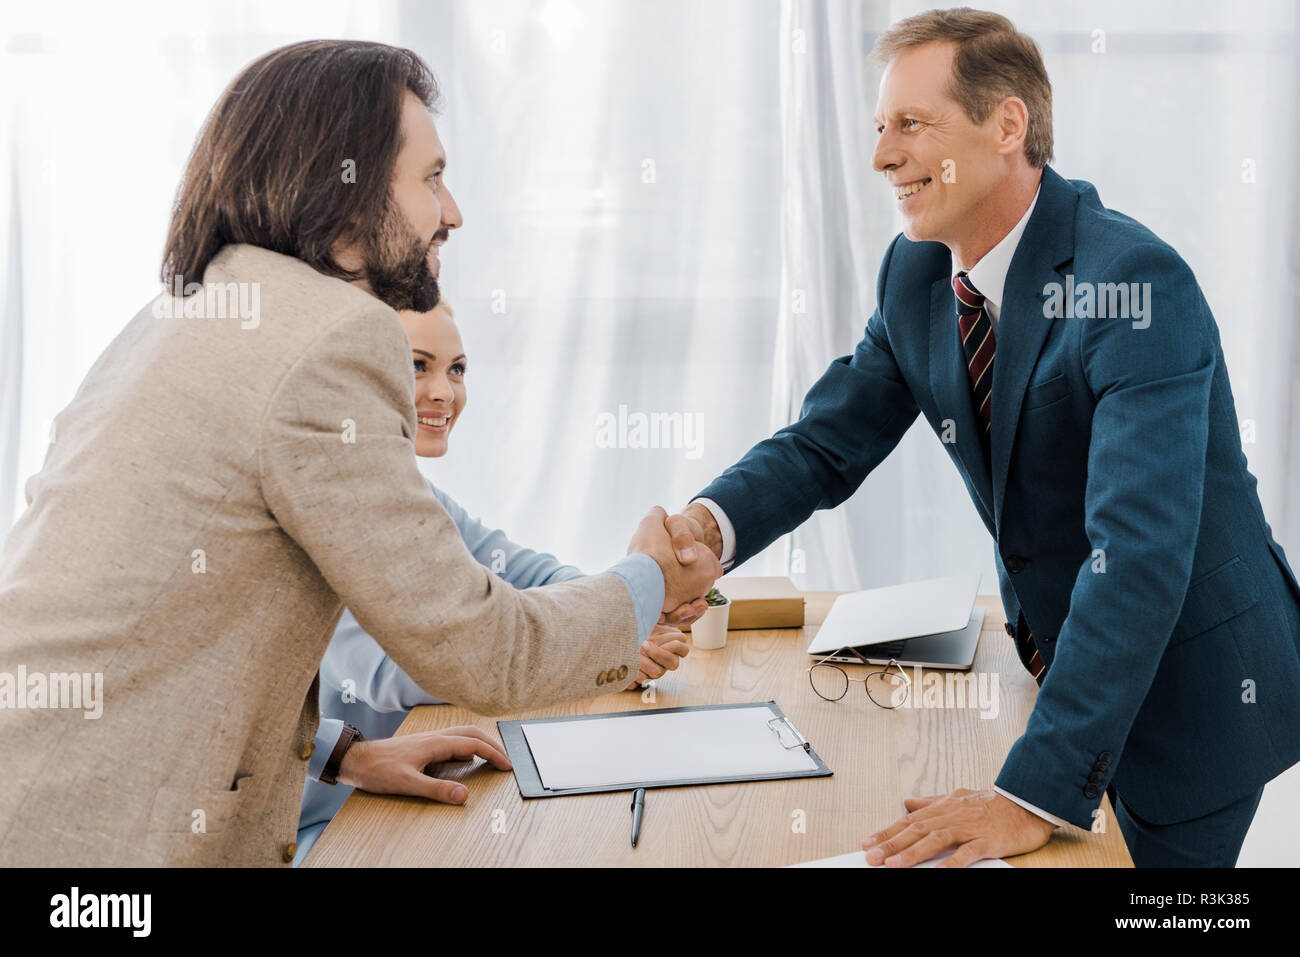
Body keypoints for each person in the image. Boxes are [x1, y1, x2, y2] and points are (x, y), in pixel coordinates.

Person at [0, 40, 719, 867]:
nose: (453, 213)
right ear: (345, 191)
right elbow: (479, 646)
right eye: (432, 178)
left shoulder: (188, 309)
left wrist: (343, 752)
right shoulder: (334, 336)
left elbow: (168, 631)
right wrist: (651, 580)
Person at [659, 8, 1300, 867]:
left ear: (1007, 126)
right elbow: (825, 441)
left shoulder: (1133, 284)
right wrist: (706, 530)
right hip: (1068, 665)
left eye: (911, 124)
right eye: (879, 128)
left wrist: (1031, 793)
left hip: (1194, 694)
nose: (882, 156)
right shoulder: (917, 271)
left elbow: (1138, 555)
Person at [293, 300, 694, 864]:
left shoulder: (417, 495)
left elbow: (530, 572)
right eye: (418, 365)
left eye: (456, 369)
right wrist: (588, 642)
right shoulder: (321, 502)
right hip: (321, 826)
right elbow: (384, 674)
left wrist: (616, 626)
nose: (444, 392)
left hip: (395, 793)